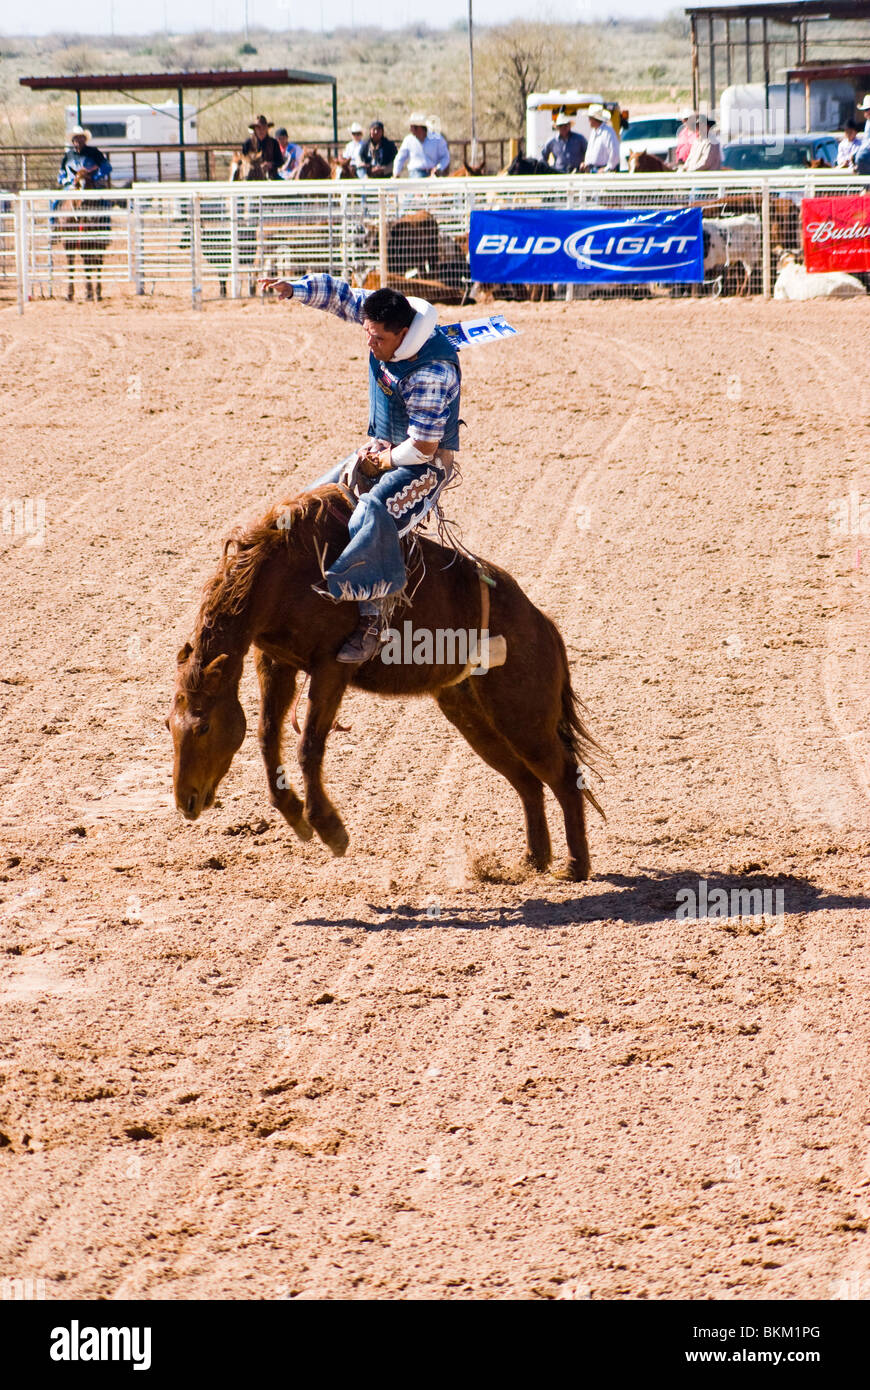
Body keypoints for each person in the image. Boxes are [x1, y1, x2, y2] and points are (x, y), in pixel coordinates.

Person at [259, 274, 461, 663]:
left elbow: (423, 446)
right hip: (382, 448)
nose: (369, 343)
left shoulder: (431, 374)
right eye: (368, 334)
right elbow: (343, 295)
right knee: (309, 501)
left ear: (403, 333)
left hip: (425, 467)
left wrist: (382, 461)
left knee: (374, 511)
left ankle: (373, 621)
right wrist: (295, 290)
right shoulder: (383, 319)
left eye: (378, 339)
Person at [393, 112, 450, 178]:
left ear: (420, 128)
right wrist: (396, 173)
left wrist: (439, 168)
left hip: (433, 174)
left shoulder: (437, 139)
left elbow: (445, 157)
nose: (410, 130)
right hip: (415, 173)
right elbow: (400, 157)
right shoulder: (408, 140)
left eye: (413, 127)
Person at [582, 105, 619, 172]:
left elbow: (614, 153)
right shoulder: (593, 132)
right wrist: (586, 163)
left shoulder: (608, 132)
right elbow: (590, 151)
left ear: (595, 119)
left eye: (590, 118)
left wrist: (607, 169)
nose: (589, 120)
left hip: (603, 171)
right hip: (592, 169)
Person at [855, 95, 870, 174]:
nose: (866, 112)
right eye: (865, 110)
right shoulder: (868, 122)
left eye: (867, 109)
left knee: (860, 158)